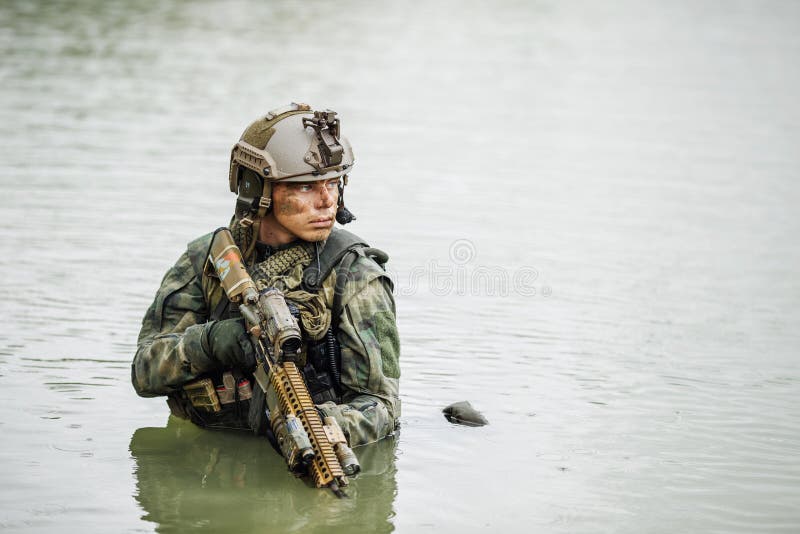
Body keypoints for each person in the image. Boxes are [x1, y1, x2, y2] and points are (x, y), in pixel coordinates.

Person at [131, 103, 400, 447]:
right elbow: (144, 373)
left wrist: (319, 427)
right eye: (305, 187)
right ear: (257, 190)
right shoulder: (209, 260)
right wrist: (209, 343)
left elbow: (382, 406)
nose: (327, 200)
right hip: (207, 464)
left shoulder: (356, 276)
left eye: (334, 183)